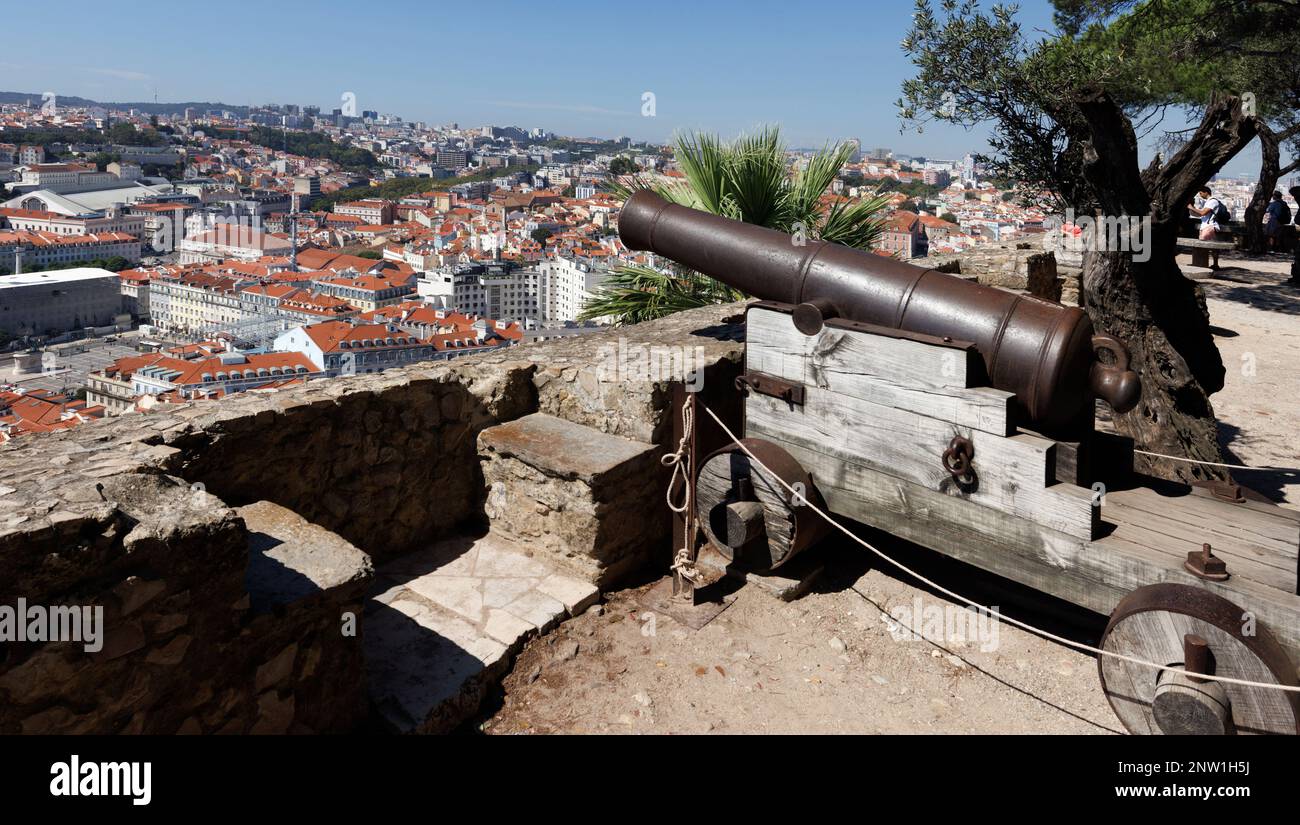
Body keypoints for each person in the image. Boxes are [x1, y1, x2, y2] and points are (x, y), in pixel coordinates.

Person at [1188, 186, 1229, 268]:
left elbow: (1203, 213)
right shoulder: (1207, 202)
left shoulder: (1212, 201)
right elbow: (1200, 214)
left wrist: (1191, 207)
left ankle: (1202, 264)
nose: (1200, 194)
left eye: (1201, 193)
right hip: (1206, 226)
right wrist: (1192, 209)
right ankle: (1213, 264)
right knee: (1211, 246)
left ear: (1206, 192)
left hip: (1209, 226)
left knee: (1203, 246)